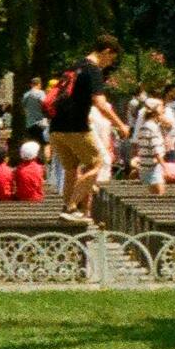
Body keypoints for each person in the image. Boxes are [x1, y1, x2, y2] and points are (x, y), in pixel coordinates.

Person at [48, 38, 124, 226]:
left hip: (56, 127)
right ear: (106, 51)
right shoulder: (93, 70)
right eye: (111, 59)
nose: (109, 64)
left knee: (71, 169)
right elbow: (100, 104)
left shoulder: (74, 66)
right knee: (97, 163)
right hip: (76, 127)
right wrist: (121, 125)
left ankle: (68, 211)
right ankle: (71, 207)